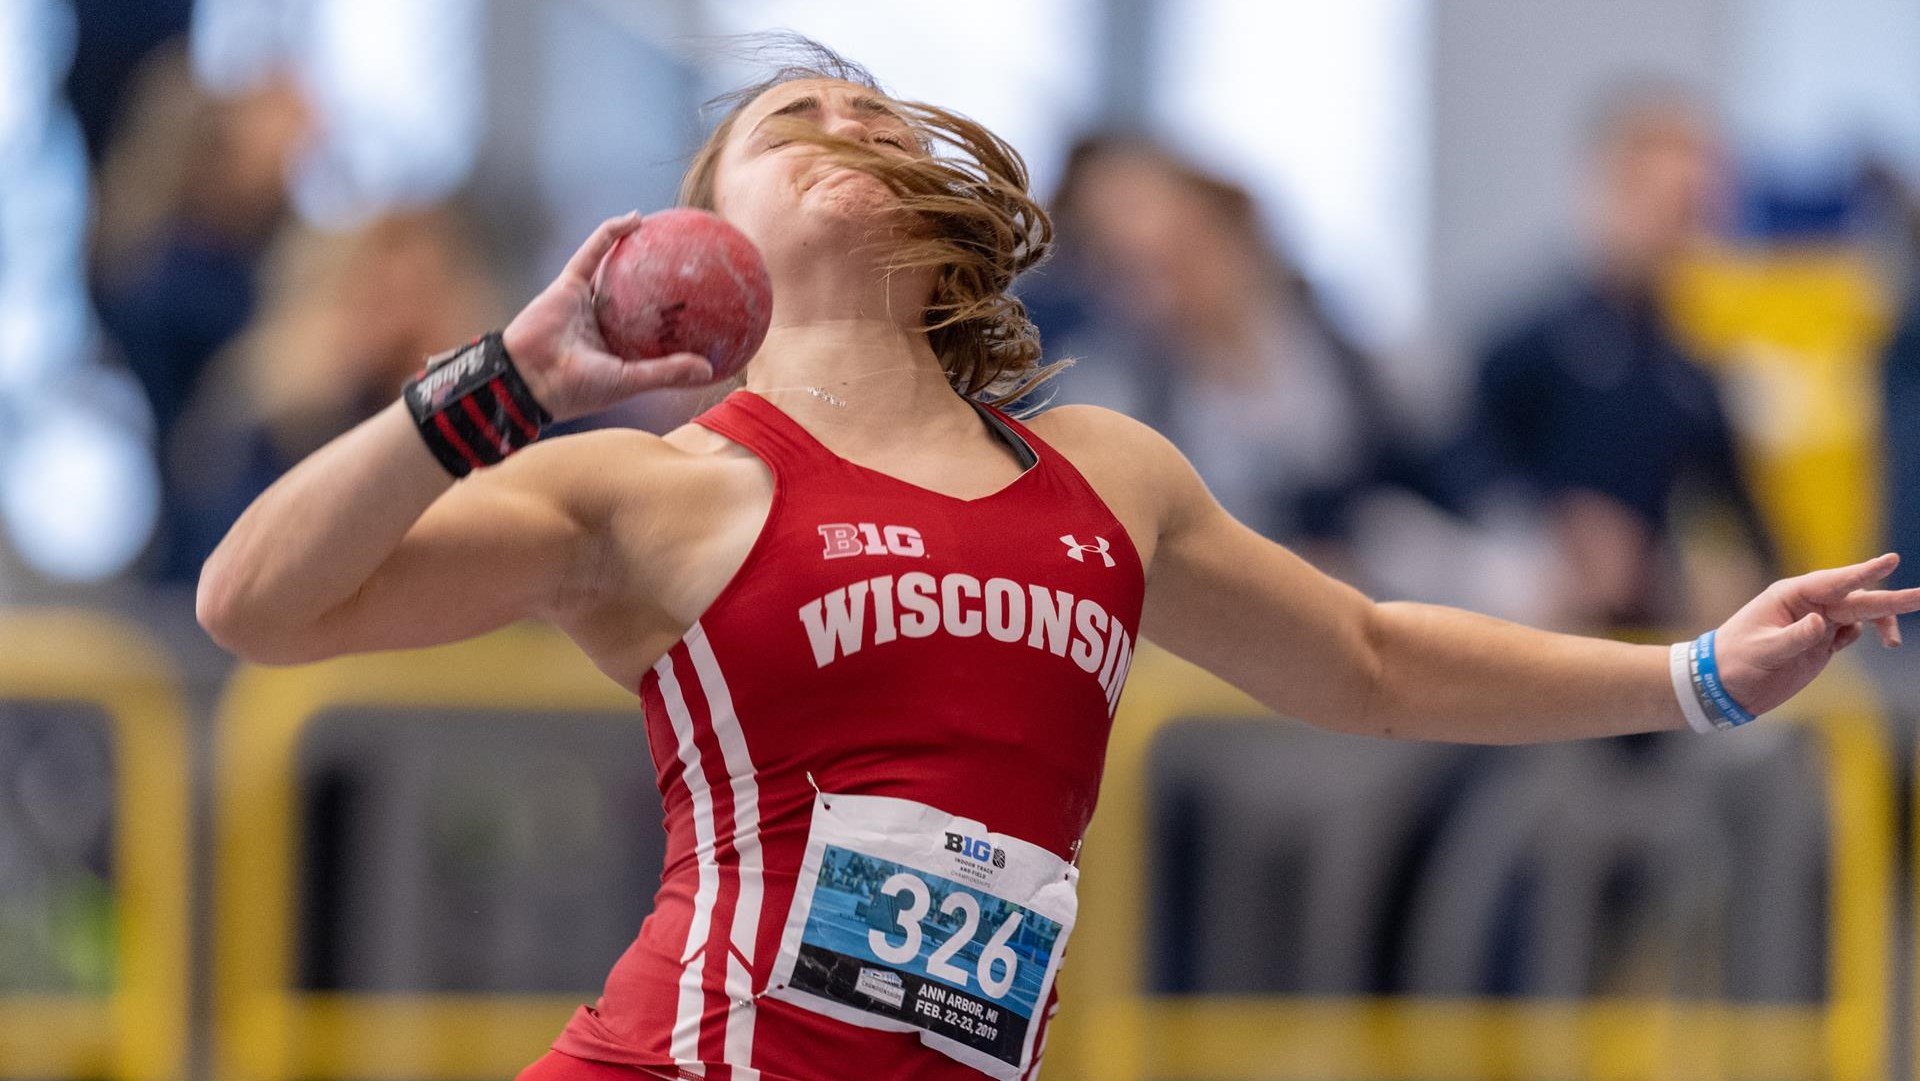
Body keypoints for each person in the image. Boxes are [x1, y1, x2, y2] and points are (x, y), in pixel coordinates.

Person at [196, 44, 1918, 1081]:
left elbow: (1378, 662)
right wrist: (499, 382)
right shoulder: (663, 495)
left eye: (869, 108)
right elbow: (256, 603)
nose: (847, 128)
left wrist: (1694, 673)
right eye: (792, 121)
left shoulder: (1105, 478)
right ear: (700, 239)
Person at [1461, 86, 1776, 631]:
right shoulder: (1525, 343)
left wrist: (1735, 573)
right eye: (1658, 198)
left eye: (1691, 207)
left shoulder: (1690, 365)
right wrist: (1555, 532)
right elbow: (1459, 473)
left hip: (1650, 640)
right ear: (1605, 188)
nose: (1677, 225)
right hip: (1534, 636)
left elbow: (1747, 517)